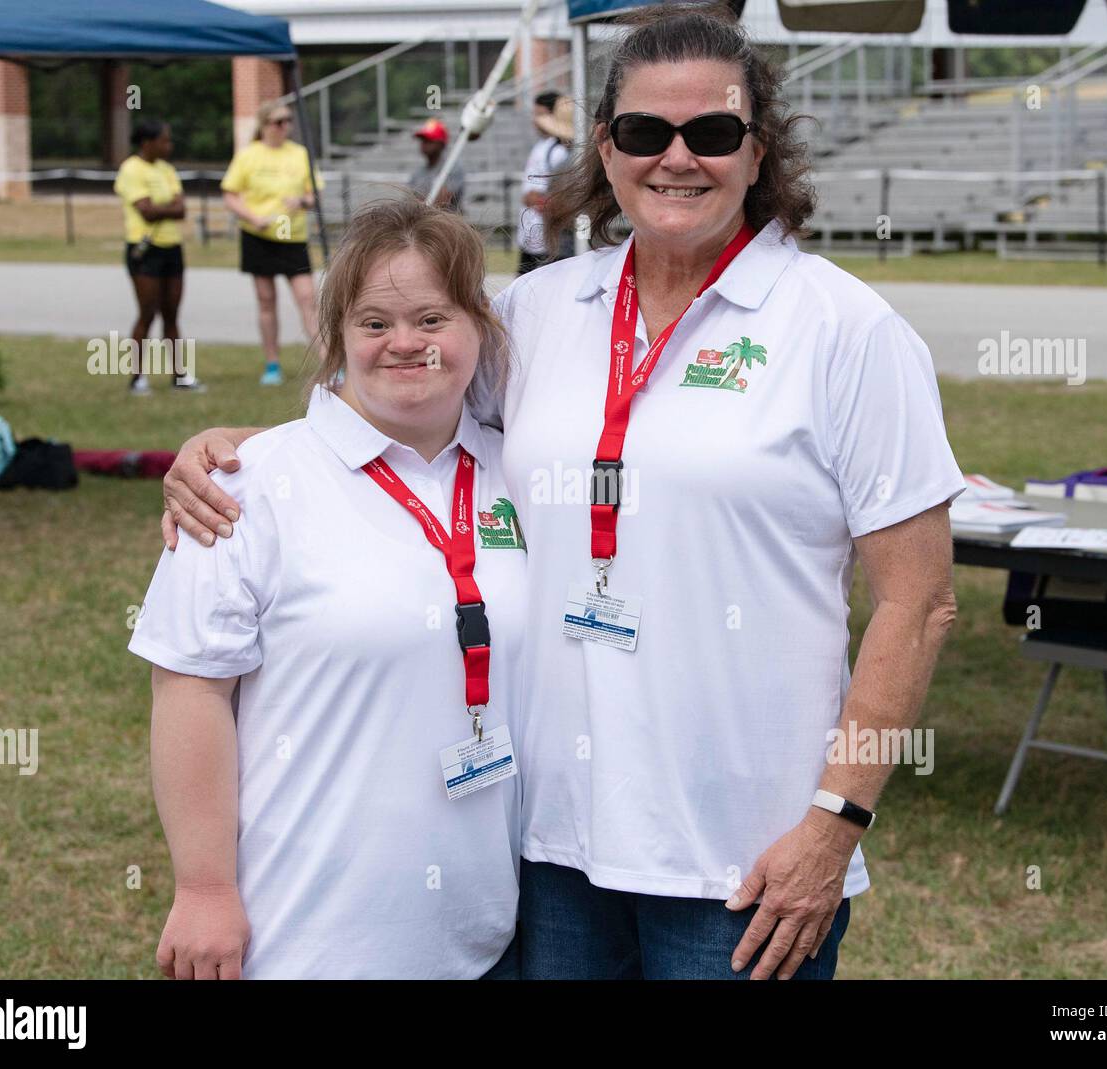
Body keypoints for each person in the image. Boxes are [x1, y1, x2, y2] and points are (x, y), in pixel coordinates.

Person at [159, 3, 966, 981]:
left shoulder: (847, 330)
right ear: (605, 147)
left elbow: (917, 605)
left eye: (712, 133)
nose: (678, 158)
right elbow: (403, 394)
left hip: (744, 865)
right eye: (643, 132)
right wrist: (243, 449)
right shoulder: (541, 310)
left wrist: (834, 824)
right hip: (548, 850)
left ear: (758, 152)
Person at [129, 198, 524, 979]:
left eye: (433, 319)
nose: (405, 343)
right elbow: (190, 691)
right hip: (309, 940)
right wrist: (204, 889)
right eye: (375, 322)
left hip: (488, 937)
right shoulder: (246, 486)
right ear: (338, 334)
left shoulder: (521, 469)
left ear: (479, 324)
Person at [221, 100, 324, 386]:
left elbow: (314, 193)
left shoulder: (299, 154)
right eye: (279, 122)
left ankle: (329, 362)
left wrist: (302, 200)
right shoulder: (249, 155)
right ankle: (272, 364)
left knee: (308, 298)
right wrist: (252, 217)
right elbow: (230, 194)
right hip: (259, 236)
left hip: (292, 234)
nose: (285, 127)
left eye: (288, 121)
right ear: (265, 125)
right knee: (266, 300)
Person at [114, 119, 203, 394]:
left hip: (171, 248)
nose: (169, 145)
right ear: (147, 143)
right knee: (147, 312)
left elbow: (180, 209)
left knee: (171, 314)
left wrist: (161, 207)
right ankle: (137, 377)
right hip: (145, 250)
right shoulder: (131, 169)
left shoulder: (166, 169)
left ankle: (179, 375)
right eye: (164, 140)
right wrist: (167, 207)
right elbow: (146, 211)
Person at [516, 93, 574, 275]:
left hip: (552, 239)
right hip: (536, 234)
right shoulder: (546, 148)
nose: (535, 120)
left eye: (540, 114)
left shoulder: (559, 154)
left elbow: (555, 201)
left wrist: (540, 201)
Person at [407, 118, 464, 211]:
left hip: (447, 222)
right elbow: (408, 202)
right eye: (423, 140)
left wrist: (418, 202)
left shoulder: (452, 167)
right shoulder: (417, 172)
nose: (424, 144)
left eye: (429, 140)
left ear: (441, 144)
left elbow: (442, 201)